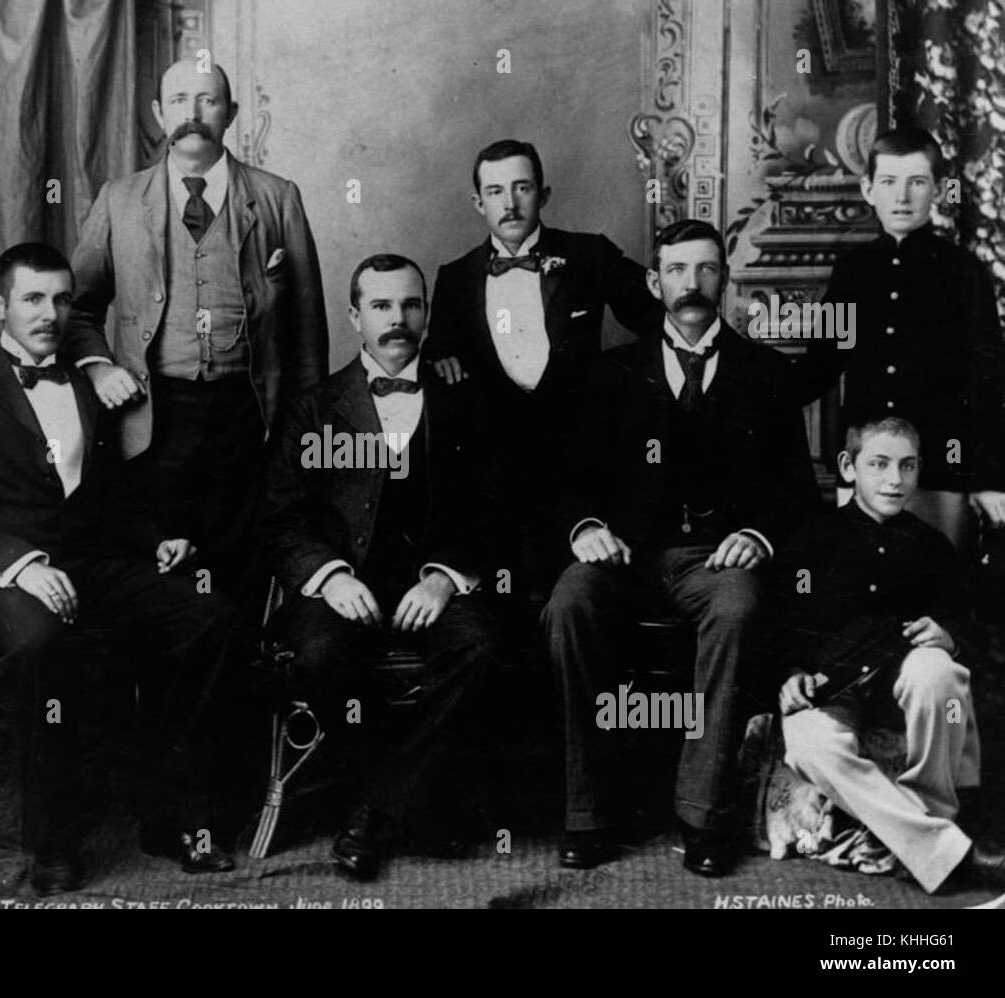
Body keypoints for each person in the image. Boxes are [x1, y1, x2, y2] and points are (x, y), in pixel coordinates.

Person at [0, 243, 247, 895]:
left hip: (90, 563)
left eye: (63, 299)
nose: (51, 313)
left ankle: (171, 815)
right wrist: (20, 565)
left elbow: (111, 498)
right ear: (0, 305)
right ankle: (53, 840)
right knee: (44, 640)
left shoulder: (88, 388)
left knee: (213, 619)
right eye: (33, 299)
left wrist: (157, 542)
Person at [543, 219, 820, 877]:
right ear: (653, 280)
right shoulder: (610, 372)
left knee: (737, 606)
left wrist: (756, 535)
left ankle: (703, 815)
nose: (690, 285)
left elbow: (797, 496)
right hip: (626, 555)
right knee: (567, 603)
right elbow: (568, 479)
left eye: (704, 270)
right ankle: (588, 812)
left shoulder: (767, 374)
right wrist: (585, 526)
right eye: (675, 270)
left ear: (724, 278)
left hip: (714, 560)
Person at [259, 254, 507, 881]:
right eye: (381, 306)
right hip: (342, 585)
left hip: (433, 585)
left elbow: (497, 509)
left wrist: (446, 576)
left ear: (427, 313)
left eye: (411, 305)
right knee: (317, 654)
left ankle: (373, 810)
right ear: (353, 316)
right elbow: (281, 517)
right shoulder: (313, 406)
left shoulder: (469, 399)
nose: (398, 320)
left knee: (483, 648)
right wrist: (332, 576)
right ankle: (414, 804)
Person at [64, 58, 328, 600]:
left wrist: (299, 432)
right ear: (160, 113)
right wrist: (98, 365)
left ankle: (241, 682)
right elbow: (77, 309)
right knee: (165, 572)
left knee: (241, 564)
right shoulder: (119, 199)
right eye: (180, 100)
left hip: (249, 413)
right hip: (154, 413)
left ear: (230, 113)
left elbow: (307, 333)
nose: (193, 113)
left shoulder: (278, 197)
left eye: (208, 100)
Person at [777, 416, 1005, 893]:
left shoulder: (932, 546)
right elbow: (780, 626)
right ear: (848, 466)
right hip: (831, 686)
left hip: (899, 680)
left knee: (938, 672)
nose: (894, 479)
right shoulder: (812, 540)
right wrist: (790, 673)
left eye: (907, 466)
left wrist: (949, 636)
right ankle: (948, 852)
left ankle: (930, 818)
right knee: (808, 744)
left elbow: (969, 625)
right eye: (878, 464)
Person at [422, 139, 662, 593]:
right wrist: (441, 356)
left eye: (522, 188)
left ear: (544, 195)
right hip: (498, 475)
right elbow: (438, 348)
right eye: (495, 192)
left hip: (585, 466)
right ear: (478, 202)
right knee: (507, 602)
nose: (509, 204)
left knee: (577, 598)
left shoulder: (589, 255)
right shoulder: (455, 277)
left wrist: (617, 375)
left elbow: (658, 321)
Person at [796, 126, 1005, 550]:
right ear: (869, 189)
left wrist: (989, 478)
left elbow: (990, 381)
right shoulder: (852, 271)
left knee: (936, 594)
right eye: (889, 183)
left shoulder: (963, 272)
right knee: (861, 595)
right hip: (864, 468)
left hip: (940, 468)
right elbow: (820, 365)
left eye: (917, 183)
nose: (902, 197)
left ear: (939, 191)